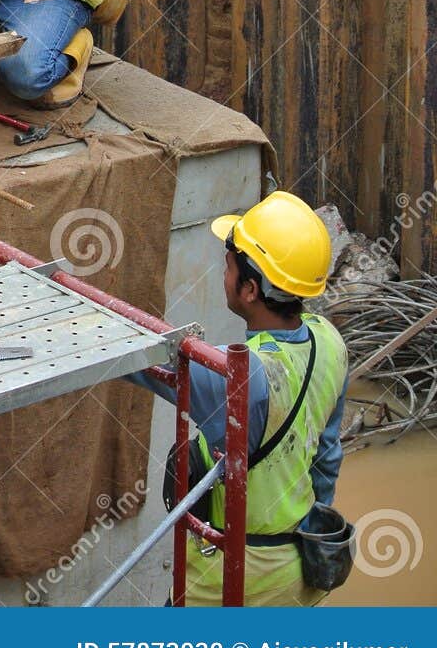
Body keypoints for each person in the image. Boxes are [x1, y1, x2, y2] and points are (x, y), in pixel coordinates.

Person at [126, 191, 348, 605]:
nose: (222, 274)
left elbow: (133, 357)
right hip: (302, 571)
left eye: (227, 266)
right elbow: (327, 456)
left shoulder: (238, 375)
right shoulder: (329, 341)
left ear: (249, 288)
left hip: (233, 578)